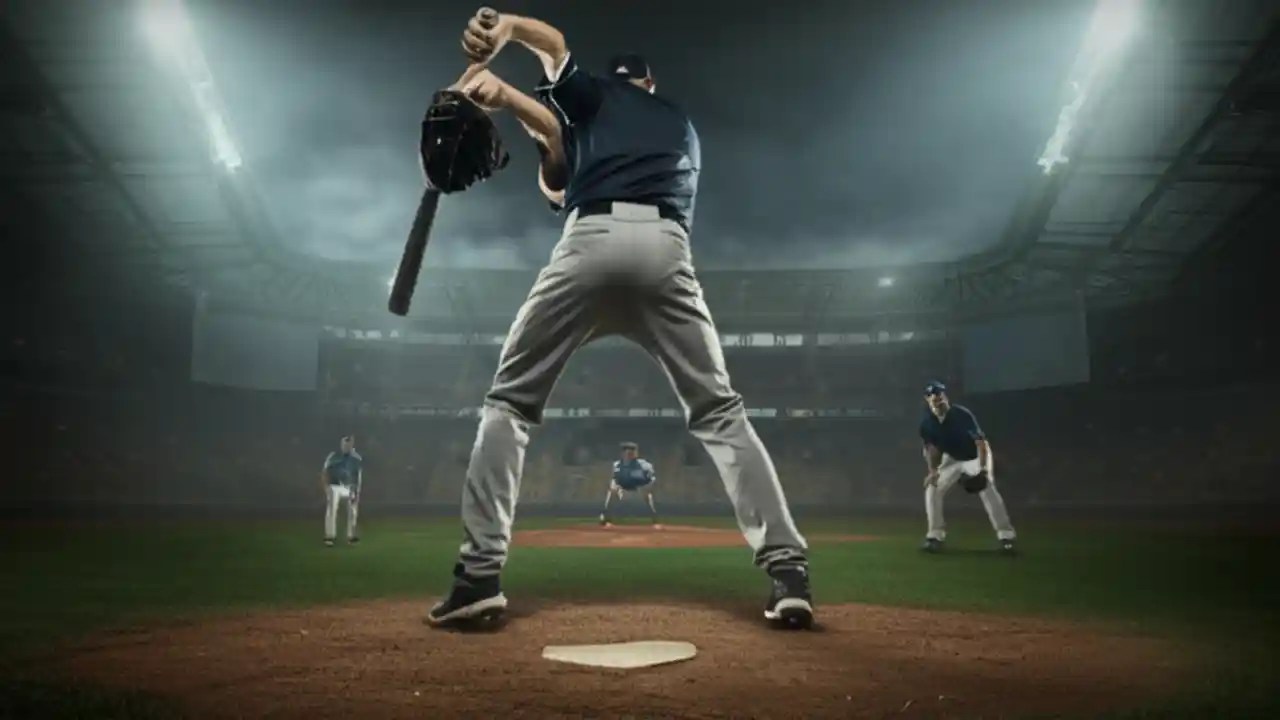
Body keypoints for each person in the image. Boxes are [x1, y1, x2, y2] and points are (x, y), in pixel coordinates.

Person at [426, 7, 813, 629]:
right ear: (651, 86)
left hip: (592, 241)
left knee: (508, 407)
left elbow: (555, 97)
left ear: (608, 85)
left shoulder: (594, 102)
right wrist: (512, 84)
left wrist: (506, 55)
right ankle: (789, 573)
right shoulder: (677, 122)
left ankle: (477, 579)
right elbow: (558, 129)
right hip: (666, 252)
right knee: (720, 413)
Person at [919, 382, 1017, 554]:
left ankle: (1006, 537)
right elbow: (930, 450)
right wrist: (933, 471)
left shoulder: (961, 414)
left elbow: (980, 442)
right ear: (927, 399)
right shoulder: (927, 423)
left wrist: (984, 469)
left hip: (974, 455)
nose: (937, 398)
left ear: (945, 397)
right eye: (933, 395)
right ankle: (934, 536)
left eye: (940, 395)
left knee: (988, 488)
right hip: (951, 458)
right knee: (932, 488)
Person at [600, 442, 660, 528]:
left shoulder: (644, 465)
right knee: (611, 491)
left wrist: (647, 485)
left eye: (632, 451)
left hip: (639, 488)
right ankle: (606, 518)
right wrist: (617, 488)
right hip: (623, 489)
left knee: (648, 495)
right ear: (623, 453)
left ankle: (655, 521)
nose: (629, 453)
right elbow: (615, 479)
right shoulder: (617, 465)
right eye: (626, 451)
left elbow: (651, 478)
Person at [320, 435, 363, 546]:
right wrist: (325, 486)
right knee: (332, 509)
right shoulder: (333, 456)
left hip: (349, 487)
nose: (347, 446)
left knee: (352, 511)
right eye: (345, 443)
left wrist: (357, 491)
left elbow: (358, 476)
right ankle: (330, 536)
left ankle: (351, 536)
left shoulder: (356, 458)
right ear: (341, 444)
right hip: (334, 485)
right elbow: (325, 471)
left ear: (352, 445)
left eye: (349, 443)